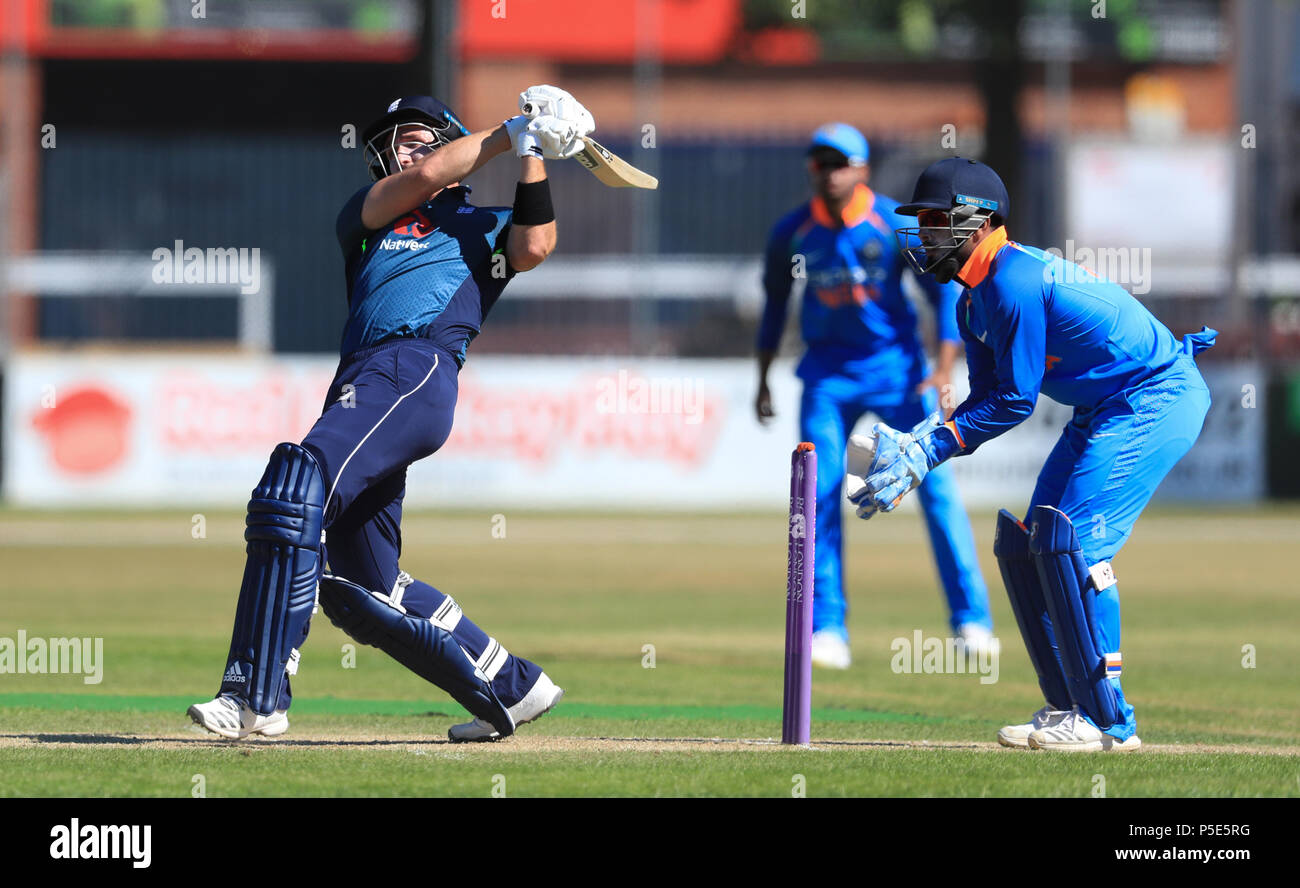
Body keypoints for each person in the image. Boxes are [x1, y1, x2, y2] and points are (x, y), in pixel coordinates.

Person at [188, 87, 595, 742]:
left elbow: (535, 245)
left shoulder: (485, 226)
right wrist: (512, 129)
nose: (398, 148)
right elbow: (431, 175)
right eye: (390, 141)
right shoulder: (369, 217)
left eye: (414, 134)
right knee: (366, 582)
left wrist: (529, 152)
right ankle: (515, 684)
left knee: (293, 494)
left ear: (447, 135)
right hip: (364, 380)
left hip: (415, 368)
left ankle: (256, 694)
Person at [850, 156, 1216, 751]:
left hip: (1154, 396)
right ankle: (1068, 706)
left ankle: (1108, 722)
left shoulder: (1014, 281)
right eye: (921, 220)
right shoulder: (973, 304)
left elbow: (1017, 401)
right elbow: (987, 398)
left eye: (936, 219)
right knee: (1031, 543)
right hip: (1102, 407)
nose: (924, 234)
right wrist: (922, 439)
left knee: (1076, 545)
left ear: (978, 219)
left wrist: (931, 451)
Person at [756, 124, 993, 669]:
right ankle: (827, 626)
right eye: (820, 162)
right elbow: (773, 308)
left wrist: (944, 365)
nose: (829, 172)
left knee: (935, 492)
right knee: (819, 494)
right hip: (826, 377)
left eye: (840, 163)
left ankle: (971, 620)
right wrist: (763, 377)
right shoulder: (792, 232)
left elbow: (941, 291)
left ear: (861, 169)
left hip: (898, 374)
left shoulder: (892, 223)